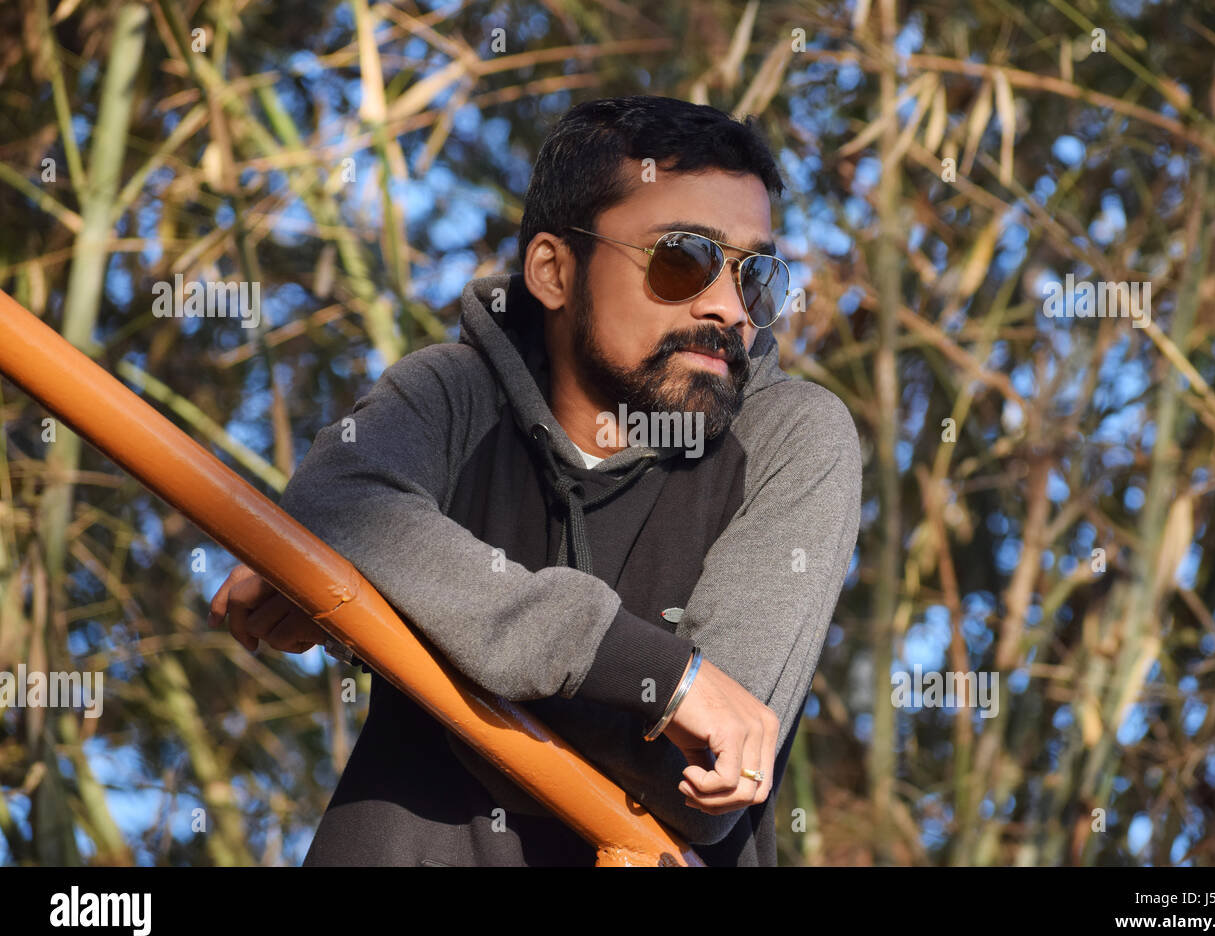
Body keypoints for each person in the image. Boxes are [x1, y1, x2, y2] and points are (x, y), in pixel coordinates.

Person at [207, 94, 862, 866]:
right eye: (683, 257)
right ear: (553, 270)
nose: (728, 307)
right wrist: (654, 673)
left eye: (757, 277)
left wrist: (394, 596)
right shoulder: (449, 392)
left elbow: (695, 775)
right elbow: (336, 503)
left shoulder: (794, 437)